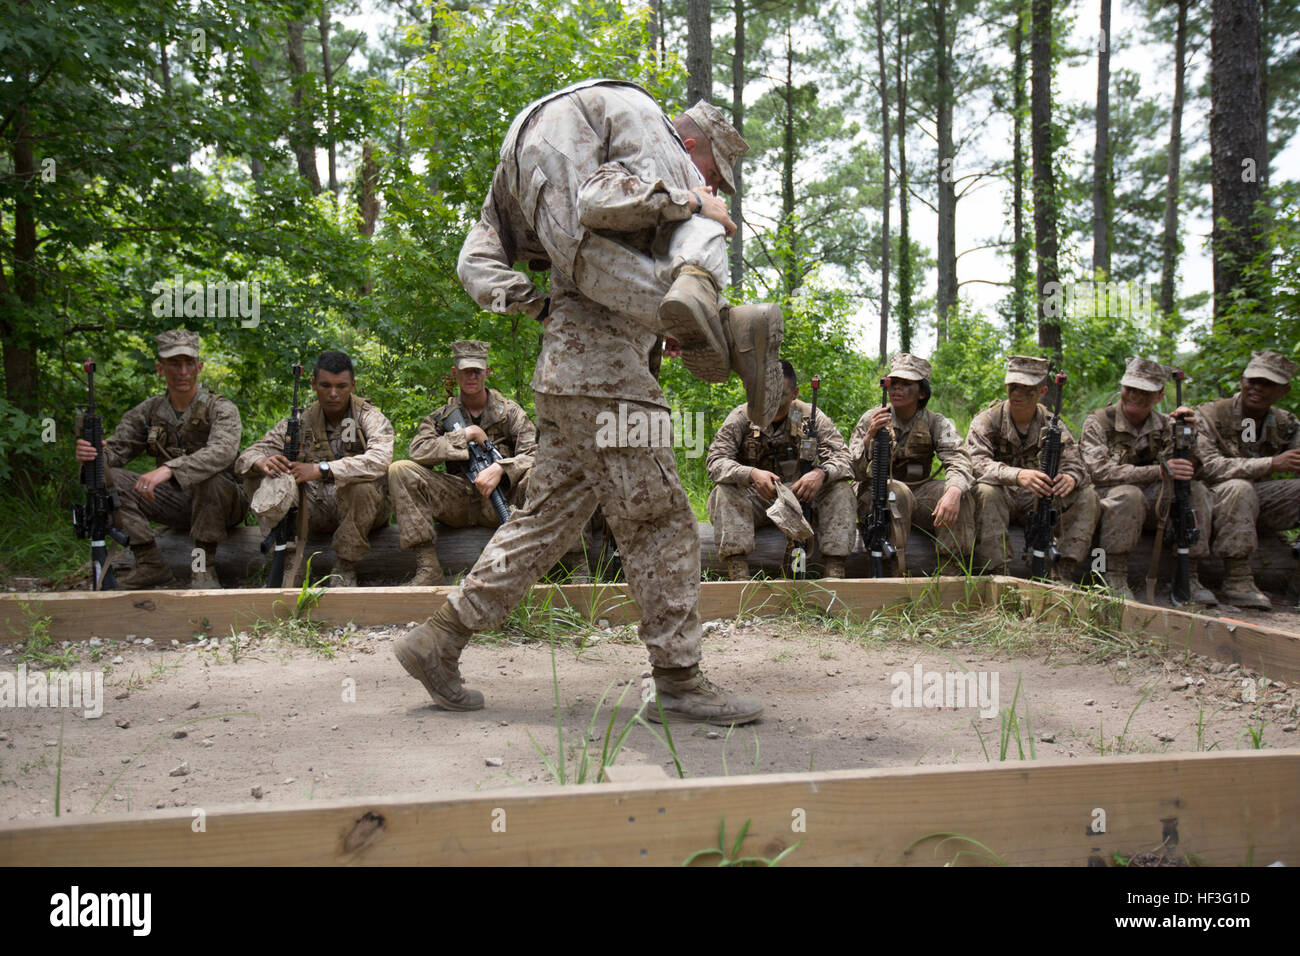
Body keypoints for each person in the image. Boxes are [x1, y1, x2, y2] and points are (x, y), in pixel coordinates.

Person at [395, 80, 781, 726]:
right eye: (717, 172)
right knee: (659, 518)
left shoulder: (524, 165)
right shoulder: (658, 138)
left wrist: (538, 304)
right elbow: (603, 203)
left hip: (566, 367)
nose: (716, 188)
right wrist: (691, 198)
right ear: (694, 144)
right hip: (602, 371)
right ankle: (680, 679)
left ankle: (438, 639)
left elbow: (476, 261)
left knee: (540, 523)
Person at [73, 330, 246, 589]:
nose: (183, 371)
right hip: (174, 502)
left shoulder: (220, 409)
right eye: (174, 364)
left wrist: (168, 469)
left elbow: (222, 451)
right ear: (160, 369)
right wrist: (93, 455)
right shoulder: (149, 411)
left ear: (199, 367)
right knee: (107, 477)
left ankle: (203, 569)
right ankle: (150, 562)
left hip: (223, 504)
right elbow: (117, 450)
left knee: (210, 479)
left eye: (189, 363)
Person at [236, 351, 393, 587]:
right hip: (313, 507)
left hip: (360, 510)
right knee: (258, 477)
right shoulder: (300, 421)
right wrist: (262, 462)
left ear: (353, 385)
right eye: (325, 386)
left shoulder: (368, 417)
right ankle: (287, 554)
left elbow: (381, 459)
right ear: (313, 384)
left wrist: (323, 469)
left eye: (341, 386)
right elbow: (246, 456)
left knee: (363, 486)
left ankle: (345, 565)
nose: (333, 394)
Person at [388, 340, 537, 586]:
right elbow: (418, 450)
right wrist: (466, 435)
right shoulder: (442, 417)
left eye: (477, 371)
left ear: (487, 372)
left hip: (503, 499)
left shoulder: (510, 412)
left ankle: (564, 563)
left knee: (542, 476)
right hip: (458, 499)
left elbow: (534, 454)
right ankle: (428, 568)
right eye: (465, 371)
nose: (471, 376)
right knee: (400, 470)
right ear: (454, 372)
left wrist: (501, 468)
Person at [1080, 357, 1216, 603]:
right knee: (1128, 495)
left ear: (1159, 396)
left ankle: (1190, 574)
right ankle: (1114, 576)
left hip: (1156, 502)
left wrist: (1188, 437)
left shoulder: (1168, 425)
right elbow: (1098, 472)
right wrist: (1158, 472)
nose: (1134, 395)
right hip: (1111, 502)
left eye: (1144, 391)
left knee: (1196, 490)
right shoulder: (1100, 421)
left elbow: (1200, 470)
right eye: (1129, 388)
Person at [706, 361, 855, 579]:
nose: (772, 402)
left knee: (841, 489)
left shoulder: (809, 416)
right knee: (723, 491)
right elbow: (715, 461)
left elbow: (844, 458)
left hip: (802, 494)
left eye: (780, 395)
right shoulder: (742, 416)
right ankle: (738, 574)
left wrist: (821, 472)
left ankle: (835, 570)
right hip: (758, 498)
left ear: (794, 393)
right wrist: (751, 474)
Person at [966, 355, 1100, 583]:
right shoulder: (987, 421)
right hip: (1002, 494)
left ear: (1042, 391)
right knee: (986, 491)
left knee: (1087, 495)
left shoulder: (1053, 424)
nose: (1018, 394)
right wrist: (1017, 475)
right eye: (1013, 387)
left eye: (1027, 389)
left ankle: (1062, 571)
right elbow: (976, 463)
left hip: (1038, 496)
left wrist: (1070, 477)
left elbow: (1075, 463)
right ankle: (998, 575)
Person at [848, 353, 975, 573]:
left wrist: (953, 492)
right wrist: (870, 436)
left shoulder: (936, 422)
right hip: (876, 494)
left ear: (922, 392)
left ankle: (951, 573)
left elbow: (959, 459)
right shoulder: (873, 418)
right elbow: (852, 470)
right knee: (898, 493)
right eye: (893, 383)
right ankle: (895, 571)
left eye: (906, 384)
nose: (897, 389)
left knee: (959, 493)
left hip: (920, 492)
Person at [1193, 349, 1300, 609]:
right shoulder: (1209, 415)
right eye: (1253, 381)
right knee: (1240, 488)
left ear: (1283, 391)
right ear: (1242, 381)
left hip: (1257, 503)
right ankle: (1237, 577)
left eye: (1268, 384)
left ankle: (1296, 582)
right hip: (1209, 502)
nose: (1257, 389)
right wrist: (1271, 464)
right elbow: (1208, 468)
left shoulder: (1286, 423)